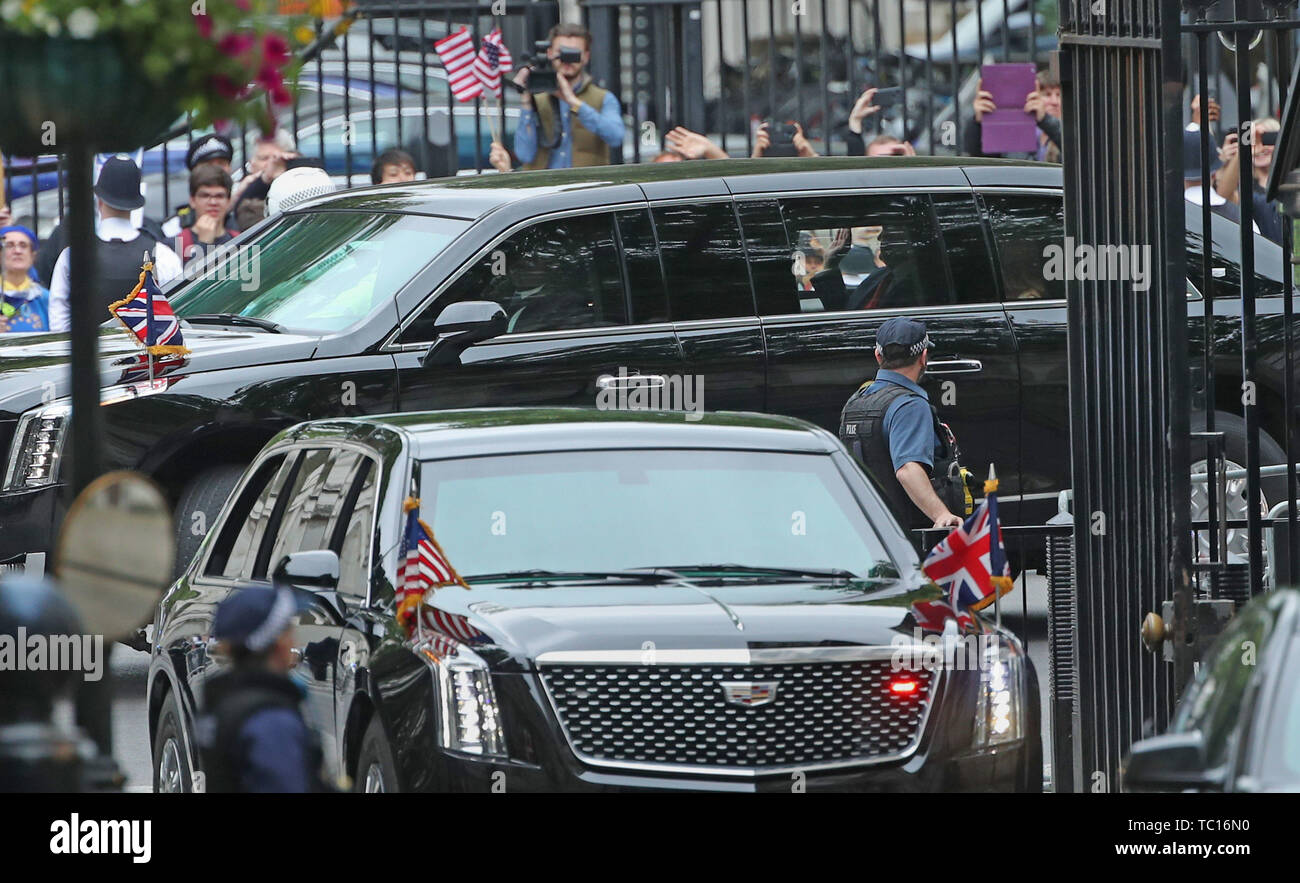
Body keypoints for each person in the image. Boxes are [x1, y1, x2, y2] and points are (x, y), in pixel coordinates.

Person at [195, 585, 328, 793]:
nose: (294, 641)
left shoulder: (221, 698)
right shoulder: (271, 719)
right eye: (289, 631)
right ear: (279, 643)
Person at [839, 318, 965, 530]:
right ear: (923, 358)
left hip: (867, 530)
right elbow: (908, 470)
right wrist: (941, 514)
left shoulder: (856, 401)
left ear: (878, 356)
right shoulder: (909, 406)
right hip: (907, 538)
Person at [47, 155, 182, 334]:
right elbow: (176, 315)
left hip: (90, 360)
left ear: (99, 199)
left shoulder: (72, 256)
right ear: (135, 203)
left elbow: (59, 325)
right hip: (146, 359)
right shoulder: (163, 255)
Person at [513, 23, 625, 169]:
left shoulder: (603, 98)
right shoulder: (539, 99)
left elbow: (616, 137)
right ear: (549, 54)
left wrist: (574, 103)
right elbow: (524, 155)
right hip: (546, 187)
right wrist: (527, 100)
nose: (567, 60)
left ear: (586, 57)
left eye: (573, 53)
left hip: (585, 187)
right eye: (561, 53)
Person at [965, 69, 1062, 162]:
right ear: (1031, 97)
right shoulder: (1016, 130)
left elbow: (1073, 148)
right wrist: (979, 123)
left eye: (1059, 95)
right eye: (1047, 94)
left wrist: (1044, 119)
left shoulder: (1070, 130)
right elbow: (985, 160)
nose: (1054, 102)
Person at [1213, 119, 1283, 244]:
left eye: (1267, 139)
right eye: (1255, 140)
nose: (1261, 147)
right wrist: (1245, 150)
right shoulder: (1244, 183)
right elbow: (1223, 195)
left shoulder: (1289, 178)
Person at [162, 134, 236, 240]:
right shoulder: (174, 228)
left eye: (221, 164)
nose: (215, 170)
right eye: (208, 165)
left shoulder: (240, 221)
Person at [230, 129, 299, 229]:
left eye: (276, 159)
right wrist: (263, 180)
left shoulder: (298, 183)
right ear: (252, 163)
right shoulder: (243, 189)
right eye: (264, 158)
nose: (271, 164)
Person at [177, 165, 239, 268]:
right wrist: (204, 243)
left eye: (219, 196)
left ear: (228, 201)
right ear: (192, 200)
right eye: (205, 196)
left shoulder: (240, 239)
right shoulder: (175, 244)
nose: (213, 202)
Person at [0, 225, 51, 333]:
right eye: (9, 245)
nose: (17, 251)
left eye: (23, 246)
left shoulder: (46, 298)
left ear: (33, 255)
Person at [752, 120, 818, 158]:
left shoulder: (803, 150)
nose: (780, 138)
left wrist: (811, 156)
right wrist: (756, 158)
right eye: (774, 134)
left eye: (788, 133)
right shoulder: (761, 148)